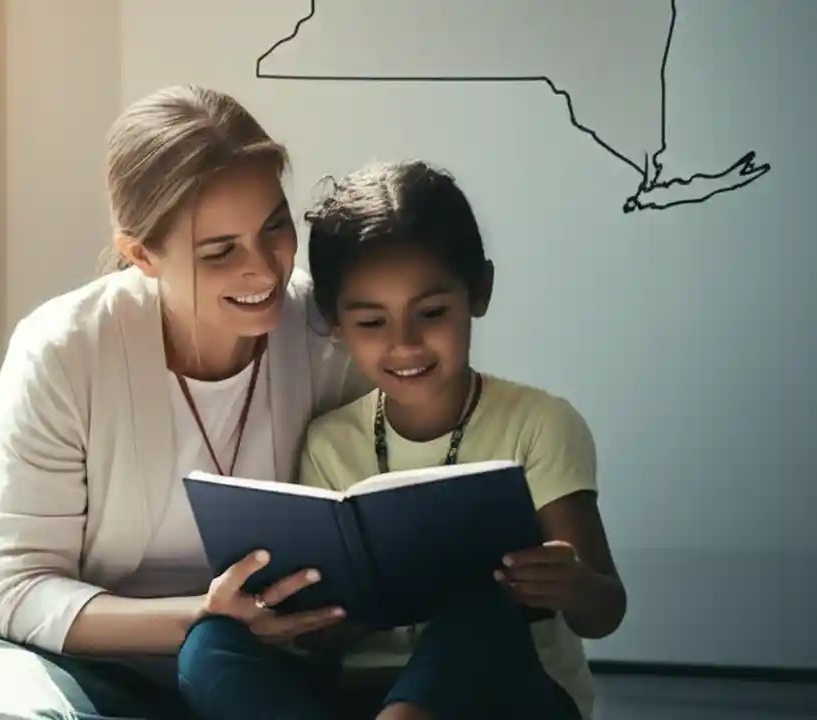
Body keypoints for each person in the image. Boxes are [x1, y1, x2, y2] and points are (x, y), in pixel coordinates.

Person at [0, 85, 370, 719]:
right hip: (21, 640)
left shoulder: (325, 333)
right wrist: (200, 615)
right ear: (141, 255)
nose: (266, 269)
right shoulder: (63, 350)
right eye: (220, 252)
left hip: (226, 659)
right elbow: (22, 590)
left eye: (275, 226)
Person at [175, 160, 628, 720]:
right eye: (372, 323)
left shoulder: (540, 424)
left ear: (478, 291)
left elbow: (603, 612)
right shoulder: (331, 439)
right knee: (209, 644)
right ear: (334, 322)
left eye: (431, 313)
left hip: (506, 695)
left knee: (479, 607)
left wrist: (570, 583)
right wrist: (322, 618)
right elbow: (324, 640)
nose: (406, 344)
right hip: (358, 697)